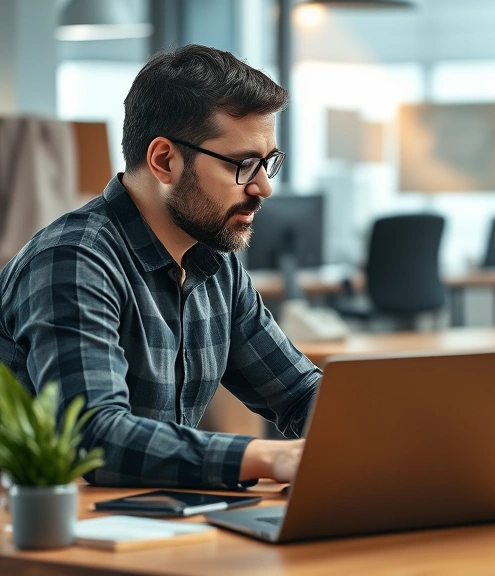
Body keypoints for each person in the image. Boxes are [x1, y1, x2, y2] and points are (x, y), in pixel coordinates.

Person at [0, 44, 320, 488]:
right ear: (164, 160)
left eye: (267, 163)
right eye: (245, 164)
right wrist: (264, 456)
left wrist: (378, 435)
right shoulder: (73, 260)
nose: (263, 187)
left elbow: (300, 394)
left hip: (160, 518)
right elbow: (94, 438)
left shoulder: (217, 267)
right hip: (61, 523)